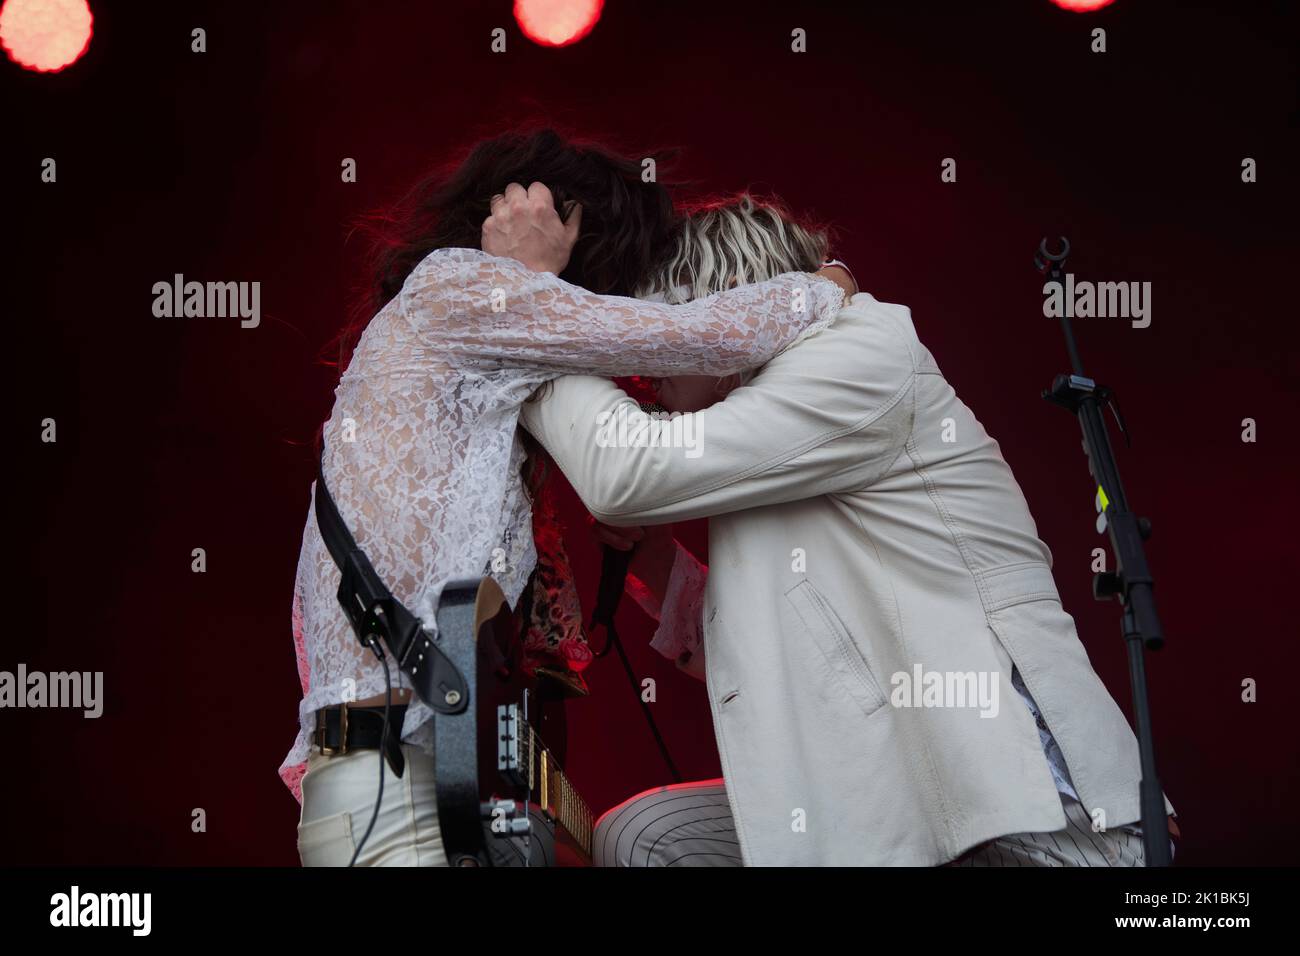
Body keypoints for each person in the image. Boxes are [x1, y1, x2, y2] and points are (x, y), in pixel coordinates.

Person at [518, 193, 1180, 866]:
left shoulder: (860, 349)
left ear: (720, 306)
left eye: (657, 334)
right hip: (900, 805)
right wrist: (657, 560)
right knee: (647, 840)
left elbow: (629, 470)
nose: (640, 368)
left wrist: (526, 320)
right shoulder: (769, 434)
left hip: (1026, 807)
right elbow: (789, 657)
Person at [283, 129, 852, 866]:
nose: (603, 306)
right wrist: (827, 285)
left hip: (424, 782)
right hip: (394, 793)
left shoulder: (483, 395)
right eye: (608, 280)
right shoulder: (456, 285)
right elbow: (694, 336)